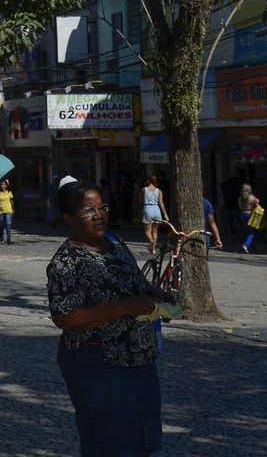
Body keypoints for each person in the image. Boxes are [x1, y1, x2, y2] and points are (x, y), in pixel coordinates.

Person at [47, 181, 173, 456]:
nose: (99, 215)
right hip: (99, 363)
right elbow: (65, 317)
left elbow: (136, 280)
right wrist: (121, 307)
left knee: (143, 438)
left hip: (139, 356)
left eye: (102, 207)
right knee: (110, 442)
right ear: (68, 217)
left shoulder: (115, 242)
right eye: (88, 210)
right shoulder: (66, 262)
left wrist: (156, 295)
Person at [139, 174, 167, 252]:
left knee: (147, 231)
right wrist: (165, 214)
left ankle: (151, 241)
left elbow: (140, 199)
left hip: (148, 208)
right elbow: (161, 203)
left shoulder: (144, 189)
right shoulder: (159, 191)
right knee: (155, 231)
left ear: (148, 181)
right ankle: (153, 249)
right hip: (156, 209)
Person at [237, 184, 262, 254]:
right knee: (252, 232)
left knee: (248, 231)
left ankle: (253, 248)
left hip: (242, 214)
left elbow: (239, 207)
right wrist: (257, 201)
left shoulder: (240, 198)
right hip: (250, 214)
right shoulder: (252, 197)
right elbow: (256, 206)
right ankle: (245, 245)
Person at [0, 178, 16, 245]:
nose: (2, 185)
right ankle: (2, 239)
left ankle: (9, 239)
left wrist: (13, 209)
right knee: (1, 225)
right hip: (0, 211)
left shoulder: (9, 192)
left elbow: (11, 201)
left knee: (8, 223)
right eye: (1, 184)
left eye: (3, 184)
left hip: (9, 210)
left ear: (6, 186)